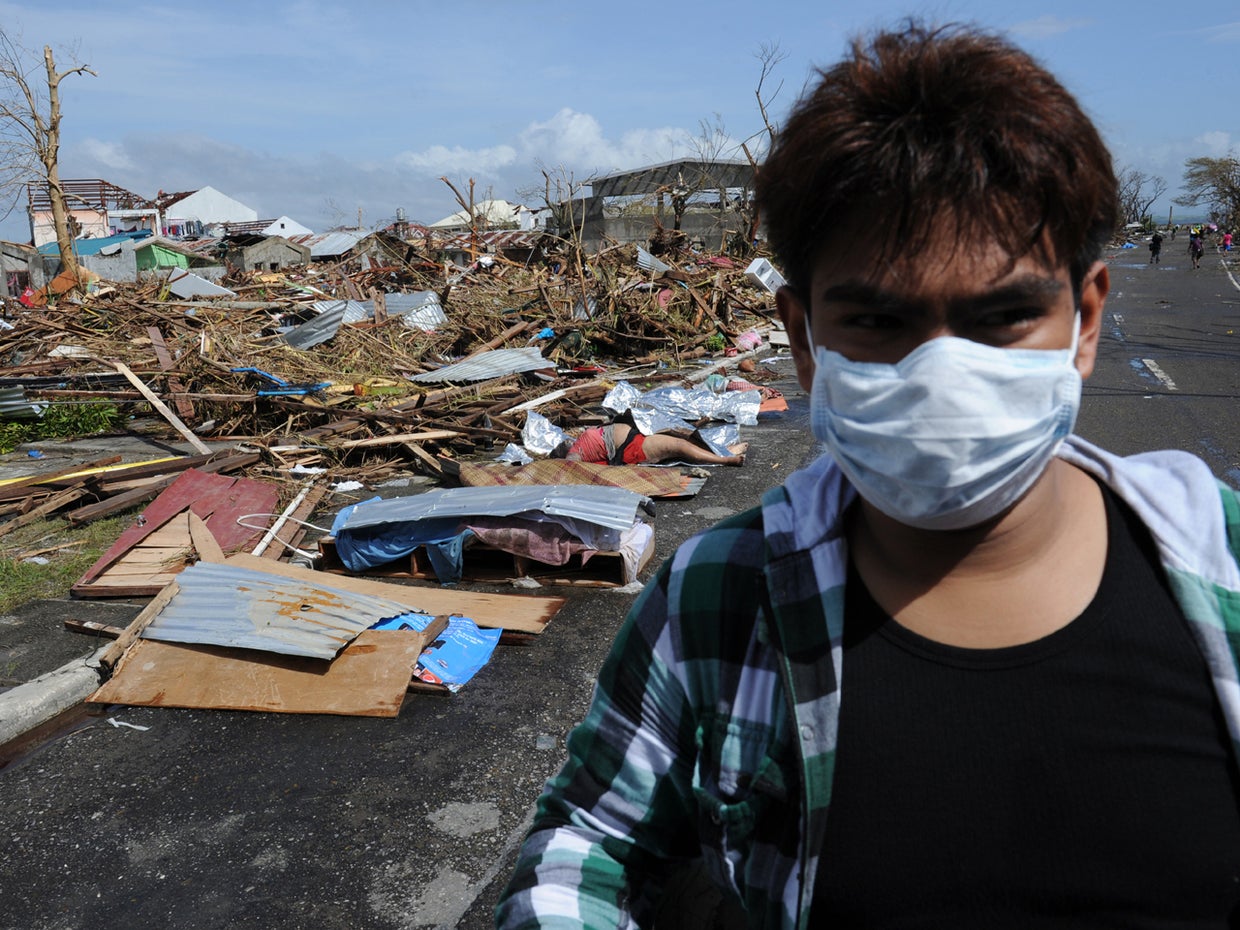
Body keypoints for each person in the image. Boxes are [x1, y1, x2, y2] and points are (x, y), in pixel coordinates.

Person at [497, 22, 1240, 929]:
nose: (943, 376)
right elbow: (589, 846)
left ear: (1084, 322)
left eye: (1002, 315)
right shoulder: (720, 601)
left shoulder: (1222, 573)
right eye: (881, 324)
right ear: (804, 341)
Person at [559, 421, 747, 466]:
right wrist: (569, 459)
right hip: (632, 447)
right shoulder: (576, 450)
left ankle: (724, 451)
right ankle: (726, 459)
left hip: (635, 437)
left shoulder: (583, 438)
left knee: (683, 440)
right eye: (564, 444)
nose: (567, 441)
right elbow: (571, 465)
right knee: (680, 447)